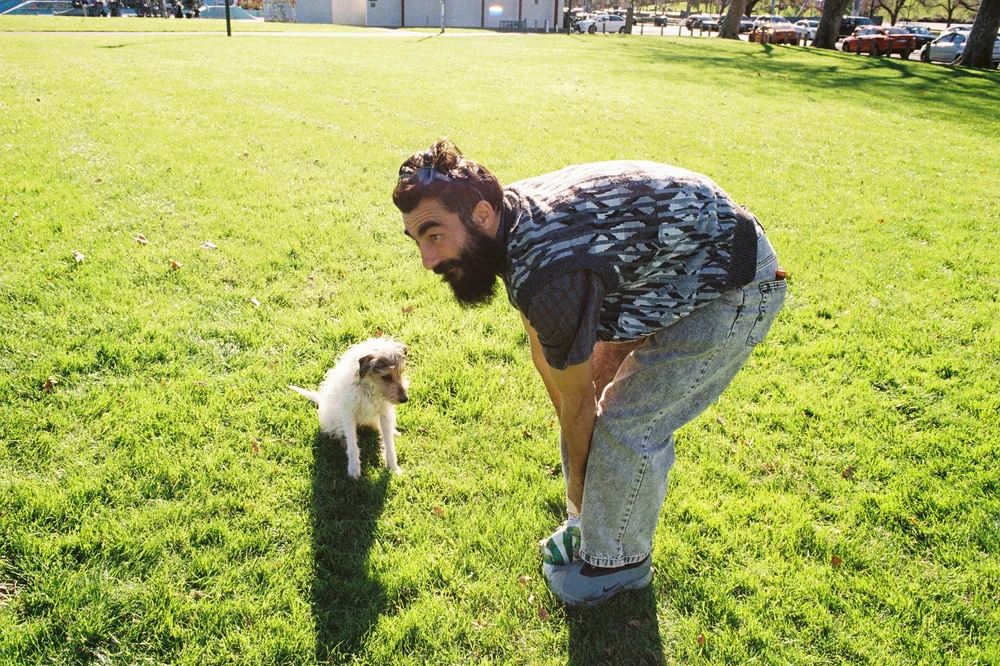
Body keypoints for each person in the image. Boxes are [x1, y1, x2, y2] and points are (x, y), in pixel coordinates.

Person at [392, 140, 787, 606]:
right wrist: (577, 450)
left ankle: (621, 564)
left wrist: (580, 489)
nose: (427, 260)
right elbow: (549, 362)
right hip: (667, 265)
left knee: (628, 423)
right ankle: (590, 524)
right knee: (588, 402)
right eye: (417, 240)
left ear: (480, 215)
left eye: (434, 236)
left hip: (733, 280)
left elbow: (579, 403)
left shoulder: (548, 271)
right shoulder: (506, 222)